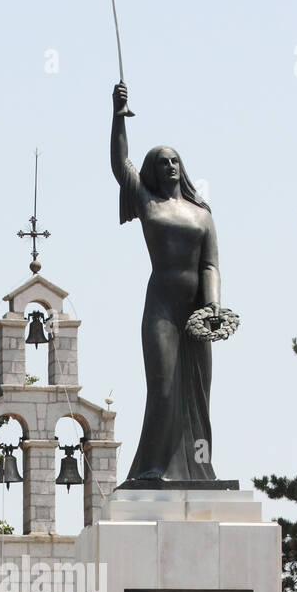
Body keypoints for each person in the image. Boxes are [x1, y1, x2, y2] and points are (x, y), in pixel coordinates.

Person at [111, 80, 221, 481]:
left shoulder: (202, 214)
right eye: (161, 162)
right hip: (161, 305)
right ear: (154, 171)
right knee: (164, 388)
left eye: (174, 161)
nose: (169, 166)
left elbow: (210, 265)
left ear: (182, 167)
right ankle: (154, 468)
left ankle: (200, 470)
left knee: (198, 392)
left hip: (196, 311)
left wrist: (212, 306)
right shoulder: (148, 202)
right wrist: (118, 117)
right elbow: (120, 166)